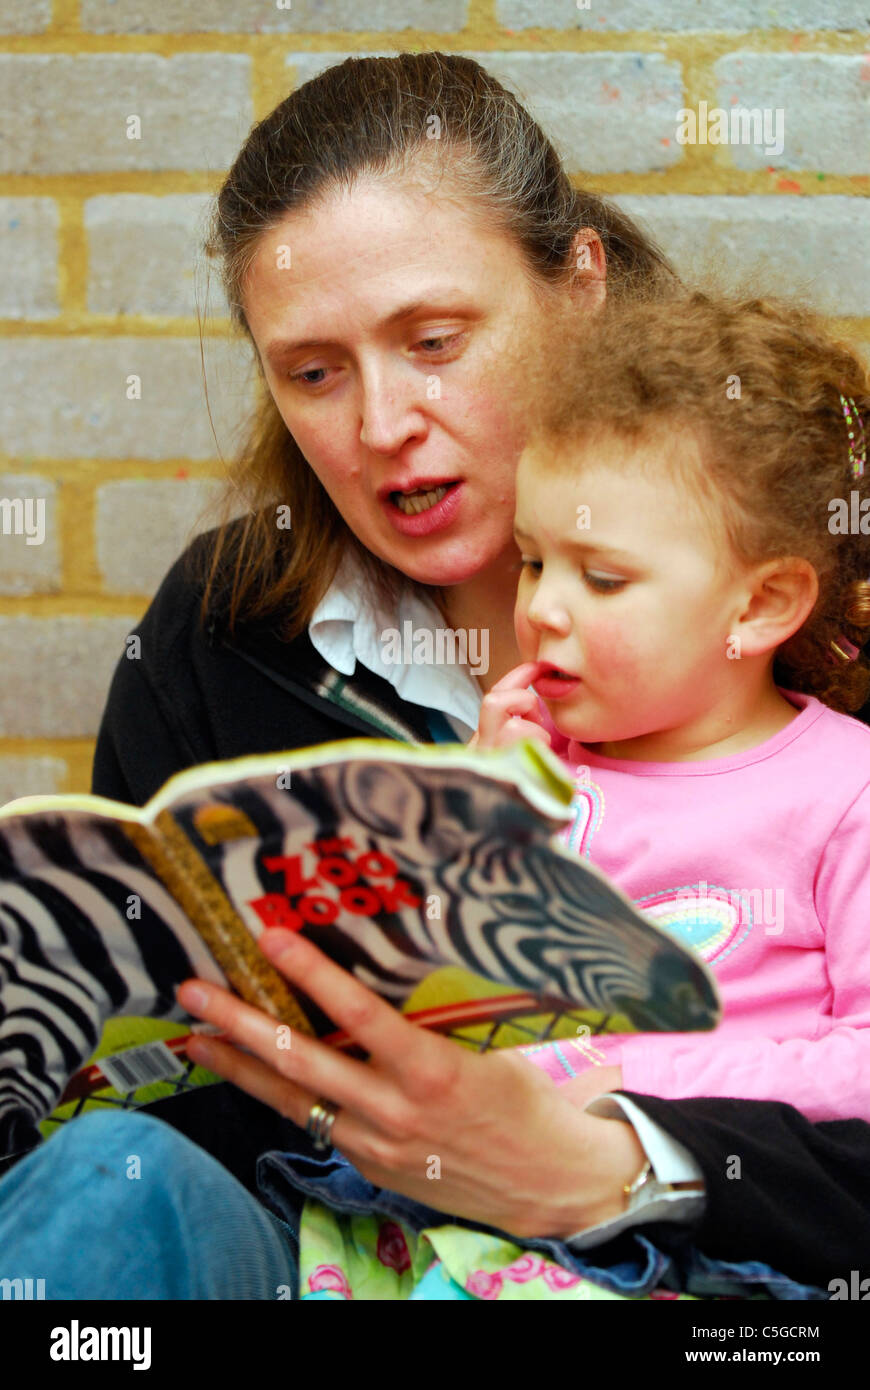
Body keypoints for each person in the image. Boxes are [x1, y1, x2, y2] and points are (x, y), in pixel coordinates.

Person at [1, 52, 869, 1300]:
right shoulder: (219, 631)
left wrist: (617, 1165)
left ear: (580, 286)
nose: (382, 423)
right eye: (313, 372)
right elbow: (164, 1094)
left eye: (436, 341)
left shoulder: (821, 615)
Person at [473, 290, 870, 1127]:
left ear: (759, 605)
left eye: (604, 578)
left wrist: (636, 1082)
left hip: (699, 1224)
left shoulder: (845, 795)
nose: (544, 610)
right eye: (533, 562)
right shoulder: (529, 759)